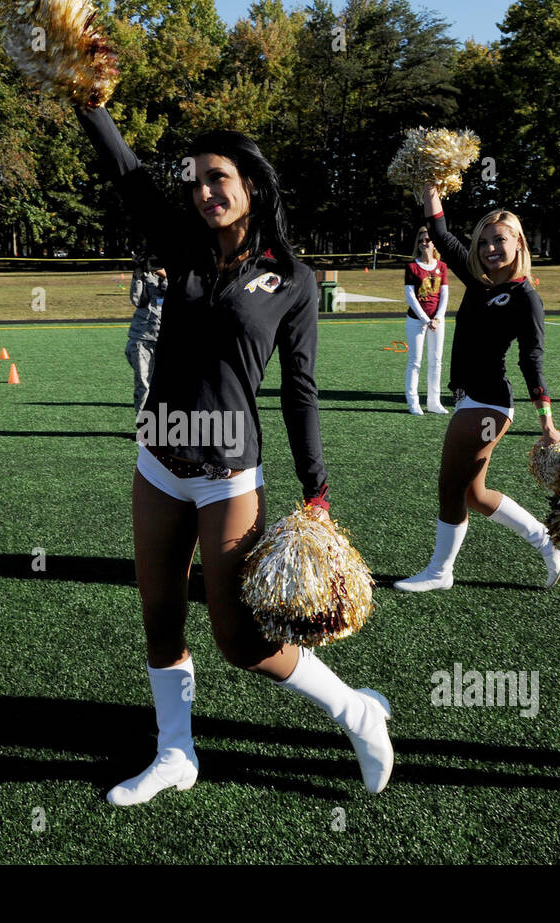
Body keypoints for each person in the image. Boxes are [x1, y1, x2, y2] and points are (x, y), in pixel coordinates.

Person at [74, 104, 393, 804]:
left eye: (218, 179)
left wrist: (317, 492)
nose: (203, 193)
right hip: (158, 461)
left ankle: (357, 712)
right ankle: (175, 753)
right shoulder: (182, 245)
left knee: (240, 640)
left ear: (251, 184)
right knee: (159, 614)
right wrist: (85, 99)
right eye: (194, 182)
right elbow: (127, 173)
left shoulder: (293, 279)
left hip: (228, 472)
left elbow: (299, 391)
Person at [394, 186, 560, 593]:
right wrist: (430, 189)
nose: (490, 248)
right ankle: (546, 540)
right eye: (483, 241)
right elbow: (439, 233)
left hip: (490, 407)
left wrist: (547, 422)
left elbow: (532, 360)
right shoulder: (479, 280)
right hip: (470, 399)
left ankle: (440, 572)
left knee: (449, 486)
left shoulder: (526, 298)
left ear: (519, 242)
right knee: (473, 493)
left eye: (499, 240)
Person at [404, 226, 449, 414]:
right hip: (417, 320)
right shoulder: (412, 267)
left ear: (433, 243)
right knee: (415, 361)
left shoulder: (442, 266)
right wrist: (425, 319)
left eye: (427, 240)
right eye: (421, 240)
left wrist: (438, 318)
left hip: (437, 322)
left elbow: (444, 293)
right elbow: (410, 295)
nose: (424, 243)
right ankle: (413, 401)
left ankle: (434, 401)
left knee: (436, 360)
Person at [125, 251, 167, 414]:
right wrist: (138, 274)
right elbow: (137, 300)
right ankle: (144, 428)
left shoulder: (182, 272)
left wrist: (164, 275)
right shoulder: (145, 273)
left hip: (169, 336)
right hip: (143, 336)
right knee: (144, 384)